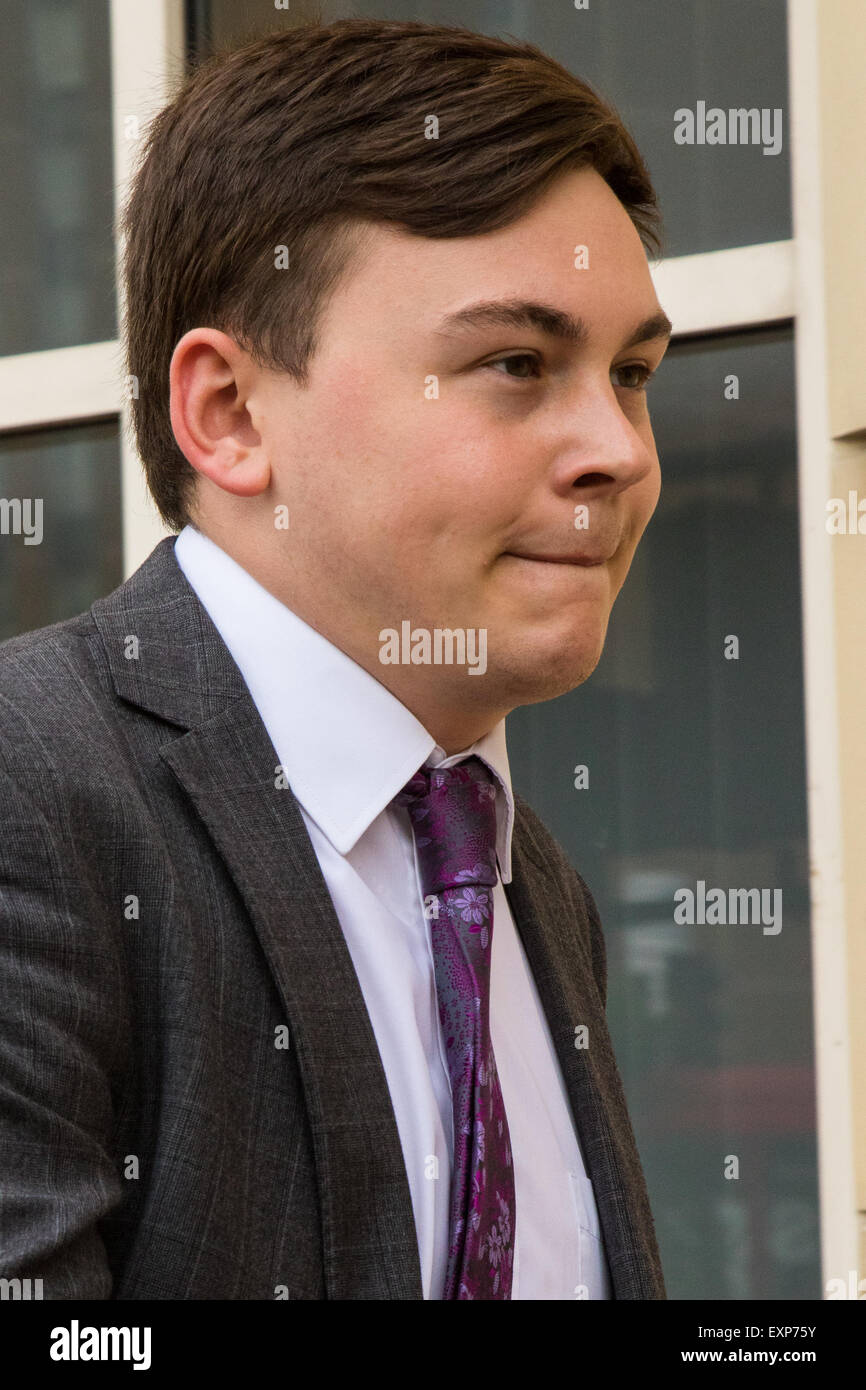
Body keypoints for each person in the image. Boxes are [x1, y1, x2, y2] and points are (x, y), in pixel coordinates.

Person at [0, 17, 671, 1300]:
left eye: (631, 371)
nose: (620, 450)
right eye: (515, 364)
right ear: (231, 414)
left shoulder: (525, 880)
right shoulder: (37, 795)